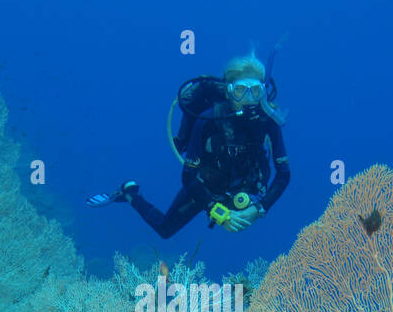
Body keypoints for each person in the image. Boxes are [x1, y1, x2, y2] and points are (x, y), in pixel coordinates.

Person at [87, 53, 290, 238]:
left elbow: (283, 174)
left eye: (255, 91)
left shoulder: (268, 120)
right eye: (239, 90)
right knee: (165, 229)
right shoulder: (207, 120)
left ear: (263, 92)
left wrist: (260, 208)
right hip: (206, 189)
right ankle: (129, 194)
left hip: (249, 190)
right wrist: (218, 212)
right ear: (228, 92)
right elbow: (188, 177)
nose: (248, 99)